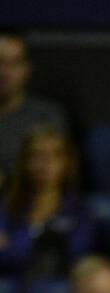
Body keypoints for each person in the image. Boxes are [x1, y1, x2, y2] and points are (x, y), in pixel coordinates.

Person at [0, 124, 93, 279]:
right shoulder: (7, 208)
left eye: (54, 156)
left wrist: (14, 246)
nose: (45, 164)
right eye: (37, 155)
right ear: (24, 161)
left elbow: (73, 256)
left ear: (66, 163)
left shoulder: (80, 212)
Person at [0, 32, 69, 185]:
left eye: (14, 63)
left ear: (27, 68)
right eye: (0, 62)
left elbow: (57, 174)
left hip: (27, 203)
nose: (4, 72)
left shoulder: (46, 116)